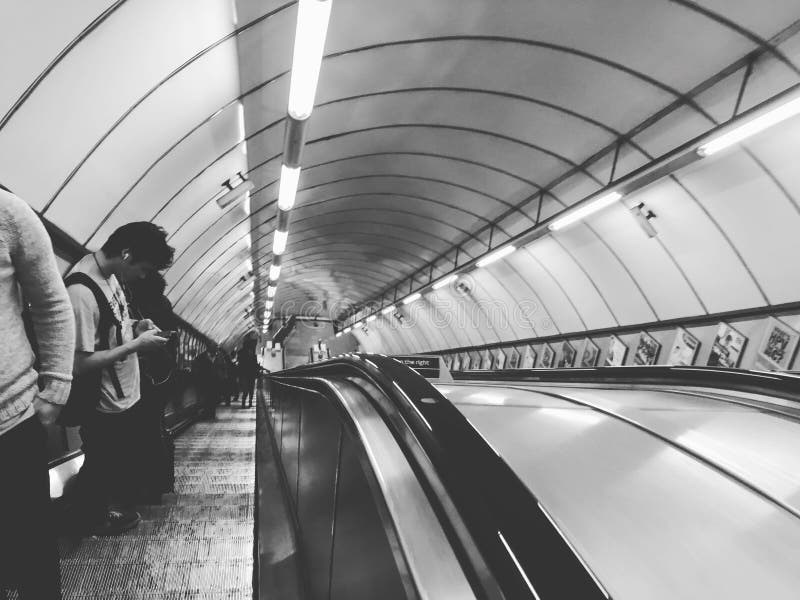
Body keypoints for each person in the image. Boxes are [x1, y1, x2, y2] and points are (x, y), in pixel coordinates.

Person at [67, 222, 174, 536]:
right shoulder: (81, 292)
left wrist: (137, 326)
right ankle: (89, 519)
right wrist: (136, 346)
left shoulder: (111, 276)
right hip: (103, 400)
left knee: (110, 459)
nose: (143, 277)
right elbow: (79, 363)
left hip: (125, 393)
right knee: (100, 460)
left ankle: (96, 511)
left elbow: (114, 325)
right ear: (126, 254)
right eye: (143, 269)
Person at [0, 190, 75, 599]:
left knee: (33, 555)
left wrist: (55, 389)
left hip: (11, 420)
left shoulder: (9, 213)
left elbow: (51, 303)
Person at [238, 336, 259, 408]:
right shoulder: (253, 355)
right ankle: (249, 402)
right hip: (250, 374)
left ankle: (244, 403)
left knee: (246, 389)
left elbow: (240, 364)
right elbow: (255, 364)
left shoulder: (241, 353)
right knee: (250, 389)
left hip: (245, 374)